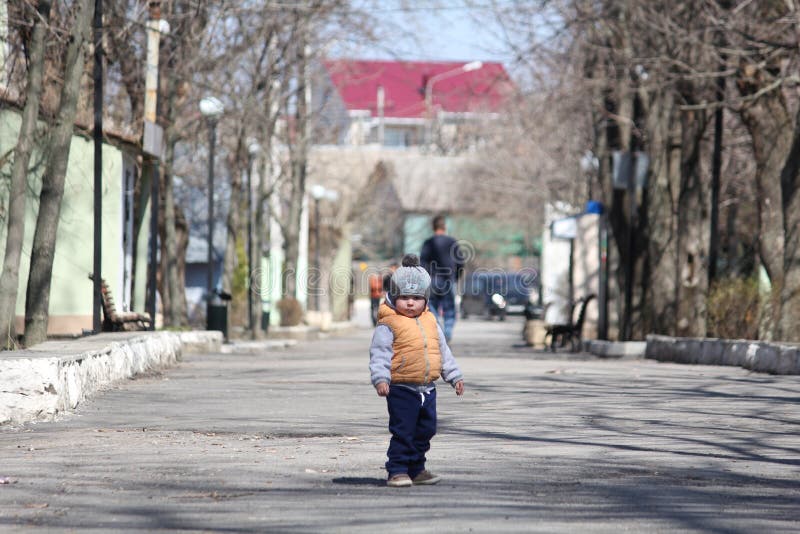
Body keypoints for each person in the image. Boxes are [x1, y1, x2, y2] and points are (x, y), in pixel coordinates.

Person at [369, 254, 465, 488]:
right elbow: (380, 353)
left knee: (426, 429)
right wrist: (381, 378)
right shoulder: (388, 324)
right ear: (393, 297)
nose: (410, 303)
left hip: (428, 389)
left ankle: (417, 468)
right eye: (404, 297)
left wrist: (454, 376)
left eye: (416, 298)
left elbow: (442, 351)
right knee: (404, 430)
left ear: (426, 299)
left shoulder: (431, 321)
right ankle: (398, 469)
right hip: (401, 387)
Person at [420, 215, 464, 342]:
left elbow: (422, 264)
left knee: (432, 307)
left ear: (433, 227)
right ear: (445, 227)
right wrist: (456, 277)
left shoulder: (428, 243)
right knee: (449, 309)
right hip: (448, 279)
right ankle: (448, 333)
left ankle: (438, 332)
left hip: (432, 280)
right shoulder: (452, 242)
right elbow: (460, 263)